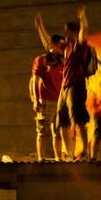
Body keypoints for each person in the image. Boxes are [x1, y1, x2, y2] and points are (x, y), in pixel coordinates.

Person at [56, 7, 93, 161]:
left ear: (73, 32)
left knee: (78, 119)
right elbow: (49, 44)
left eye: (67, 31)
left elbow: (84, 30)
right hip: (64, 88)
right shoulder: (67, 48)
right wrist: (40, 27)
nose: (65, 34)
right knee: (61, 120)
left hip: (76, 86)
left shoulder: (79, 45)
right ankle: (70, 154)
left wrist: (82, 17)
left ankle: (85, 153)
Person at [30, 23, 64, 161]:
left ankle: (58, 158)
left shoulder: (63, 61)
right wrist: (35, 100)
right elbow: (35, 80)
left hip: (59, 100)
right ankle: (41, 158)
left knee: (58, 132)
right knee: (43, 131)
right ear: (53, 46)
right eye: (61, 45)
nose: (63, 48)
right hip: (45, 100)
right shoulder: (42, 60)